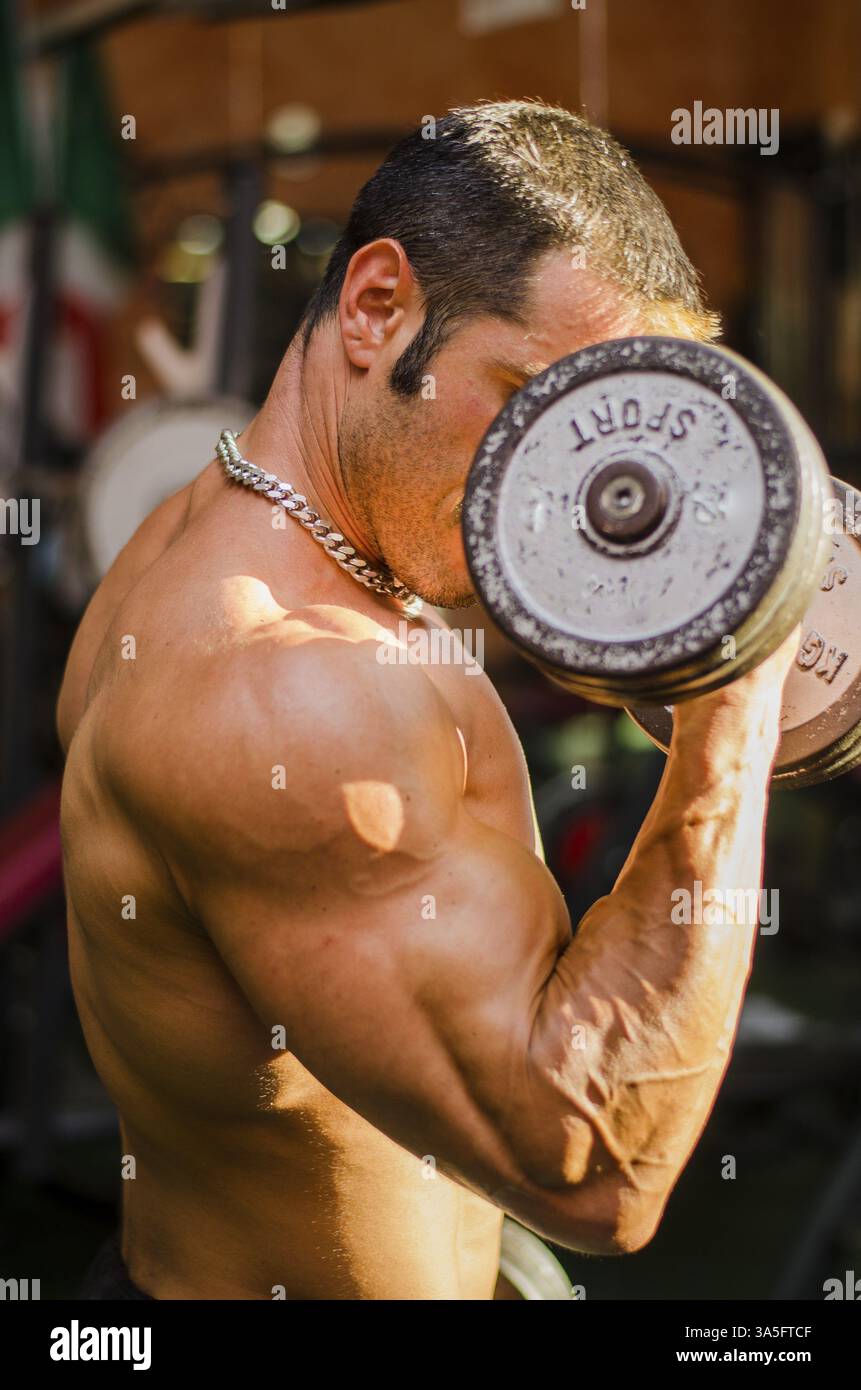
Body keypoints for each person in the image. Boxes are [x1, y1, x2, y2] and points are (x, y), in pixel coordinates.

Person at [57, 99, 795, 1300]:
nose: (548, 489)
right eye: (522, 400)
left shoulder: (205, 533)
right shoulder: (287, 694)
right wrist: (740, 700)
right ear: (377, 307)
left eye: (581, 433)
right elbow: (594, 1173)